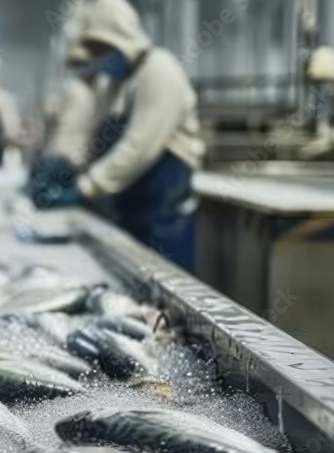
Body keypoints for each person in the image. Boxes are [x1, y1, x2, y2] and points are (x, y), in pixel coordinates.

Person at [36, 0, 204, 273]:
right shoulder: (113, 84)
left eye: (102, 48)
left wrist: (85, 187)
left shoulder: (159, 69)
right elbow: (94, 139)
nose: (99, 58)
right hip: (129, 204)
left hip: (163, 207)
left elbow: (138, 148)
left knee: (167, 284)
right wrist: (68, 165)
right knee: (131, 282)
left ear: (122, 38)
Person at [30, 41, 99, 202]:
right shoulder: (77, 90)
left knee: (52, 201)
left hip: (64, 156)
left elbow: (49, 115)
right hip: (65, 158)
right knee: (57, 202)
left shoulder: (79, 90)